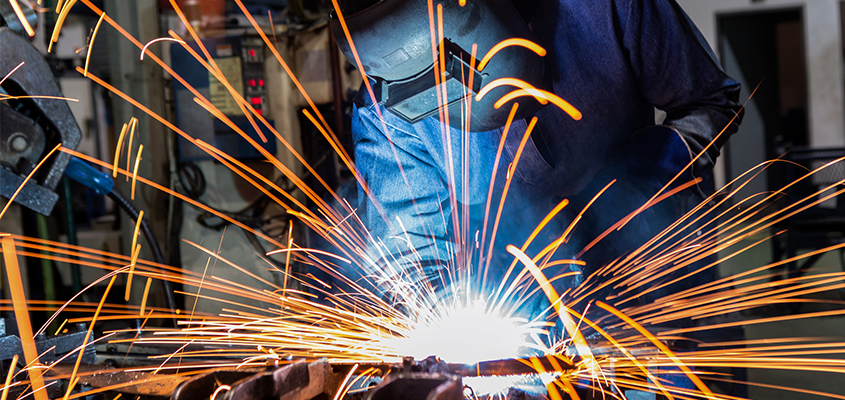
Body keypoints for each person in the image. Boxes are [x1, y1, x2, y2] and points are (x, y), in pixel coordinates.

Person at [331, 0, 743, 303]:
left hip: (651, 282)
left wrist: (637, 188)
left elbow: (711, 101)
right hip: (518, 310)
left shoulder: (604, 8)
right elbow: (409, 260)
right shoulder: (386, 107)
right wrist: (443, 312)